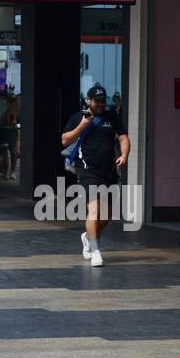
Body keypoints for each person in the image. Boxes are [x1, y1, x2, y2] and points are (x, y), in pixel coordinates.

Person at [61, 84, 130, 267]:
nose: (100, 104)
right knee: (94, 209)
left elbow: (123, 137)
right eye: (96, 101)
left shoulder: (111, 117)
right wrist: (82, 126)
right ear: (88, 101)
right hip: (88, 170)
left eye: (103, 101)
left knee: (106, 216)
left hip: (109, 171)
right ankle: (96, 250)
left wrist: (124, 155)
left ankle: (88, 237)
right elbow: (65, 140)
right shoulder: (78, 117)